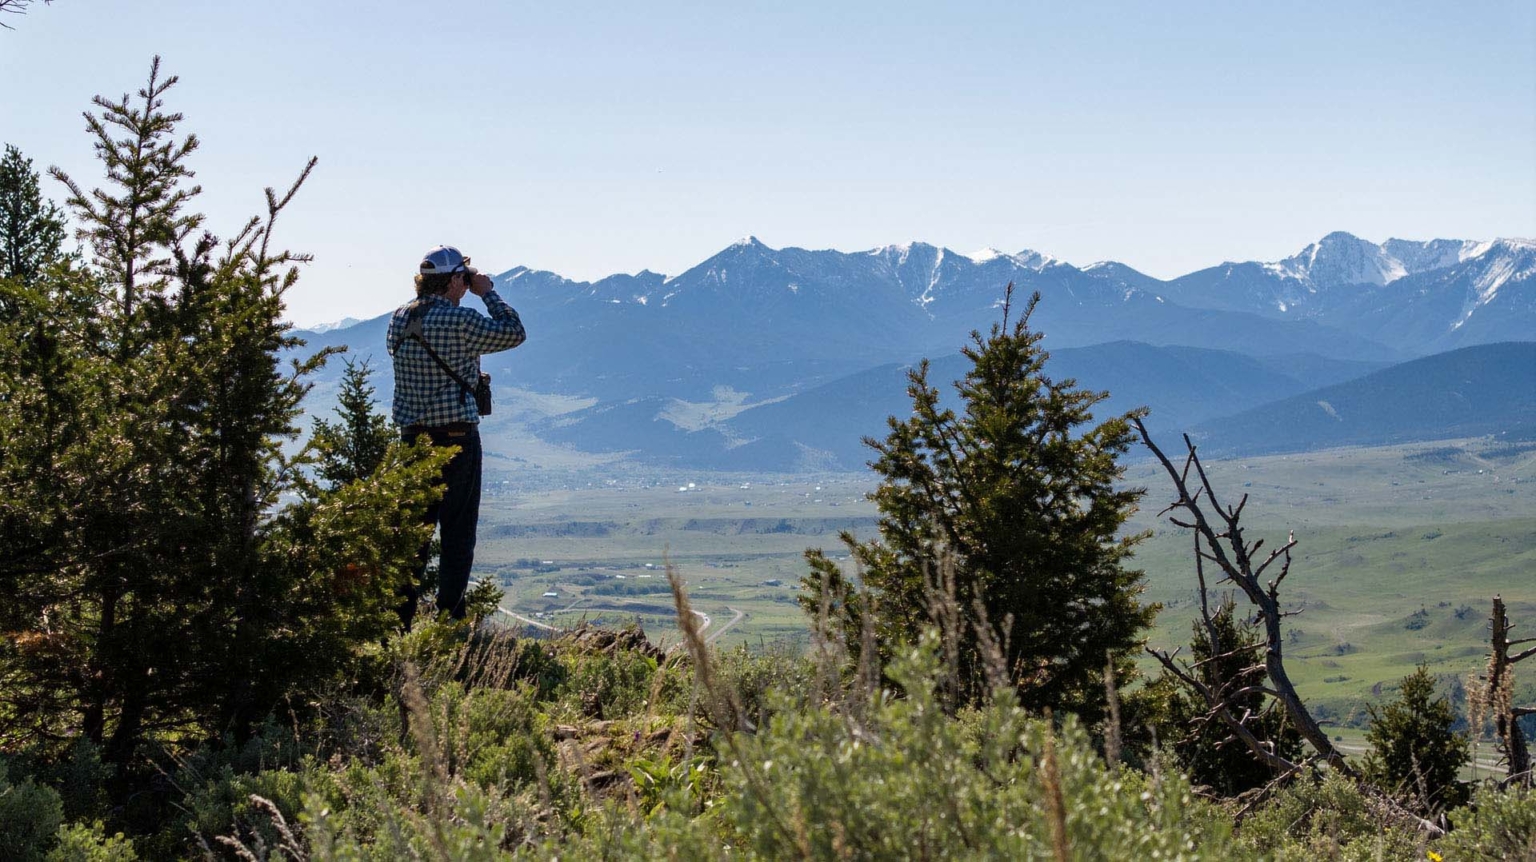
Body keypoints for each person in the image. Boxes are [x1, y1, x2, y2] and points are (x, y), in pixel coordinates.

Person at [386, 245, 526, 628]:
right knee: (457, 536)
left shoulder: (398, 320)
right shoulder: (460, 320)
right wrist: (488, 293)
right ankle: (450, 623)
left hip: (413, 440)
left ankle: (397, 625)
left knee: (411, 539)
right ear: (453, 281)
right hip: (456, 441)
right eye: (464, 277)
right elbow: (514, 333)